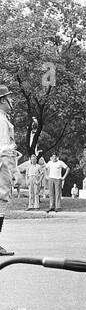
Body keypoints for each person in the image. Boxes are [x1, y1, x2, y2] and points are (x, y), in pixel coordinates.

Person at [0, 86, 15, 256]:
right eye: (10, 98)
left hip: (3, 163)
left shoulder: (4, 118)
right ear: (3, 100)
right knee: (1, 202)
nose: (12, 101)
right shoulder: (1, 120)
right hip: (2, 165)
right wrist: (13, 171)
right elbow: (4, 148)